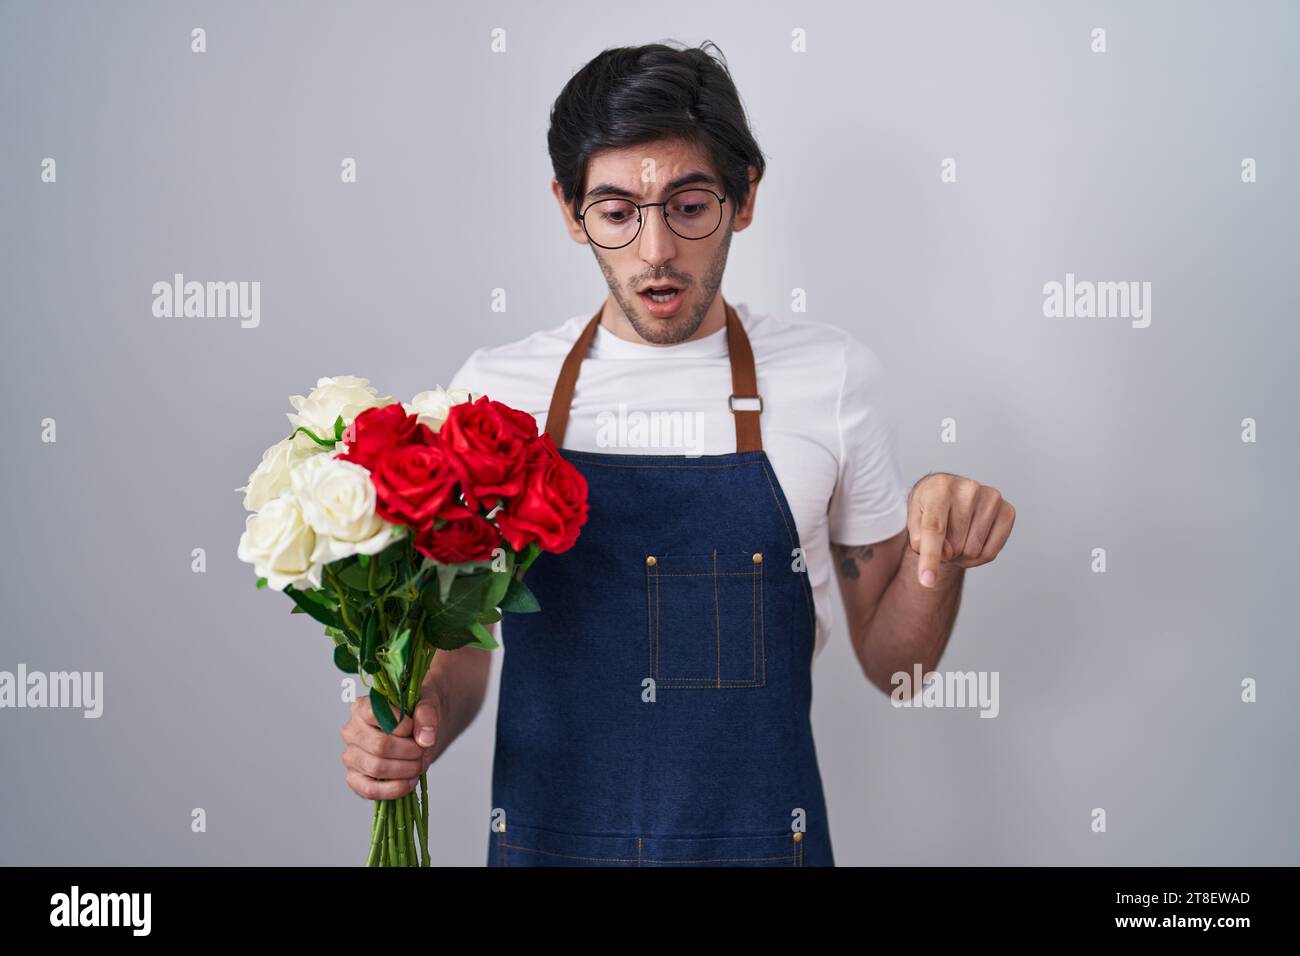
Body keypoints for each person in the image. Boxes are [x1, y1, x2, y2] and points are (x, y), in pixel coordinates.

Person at [339, 40, 1015, 866]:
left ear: (745, 196)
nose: (655, 251)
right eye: (617, 212)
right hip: (551, 845)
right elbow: (468, 644)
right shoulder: (494, 396)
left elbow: (893, 664)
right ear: (568, 208)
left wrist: (936, 560)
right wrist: (418, 719)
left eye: (689, 207)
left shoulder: (832, 377)